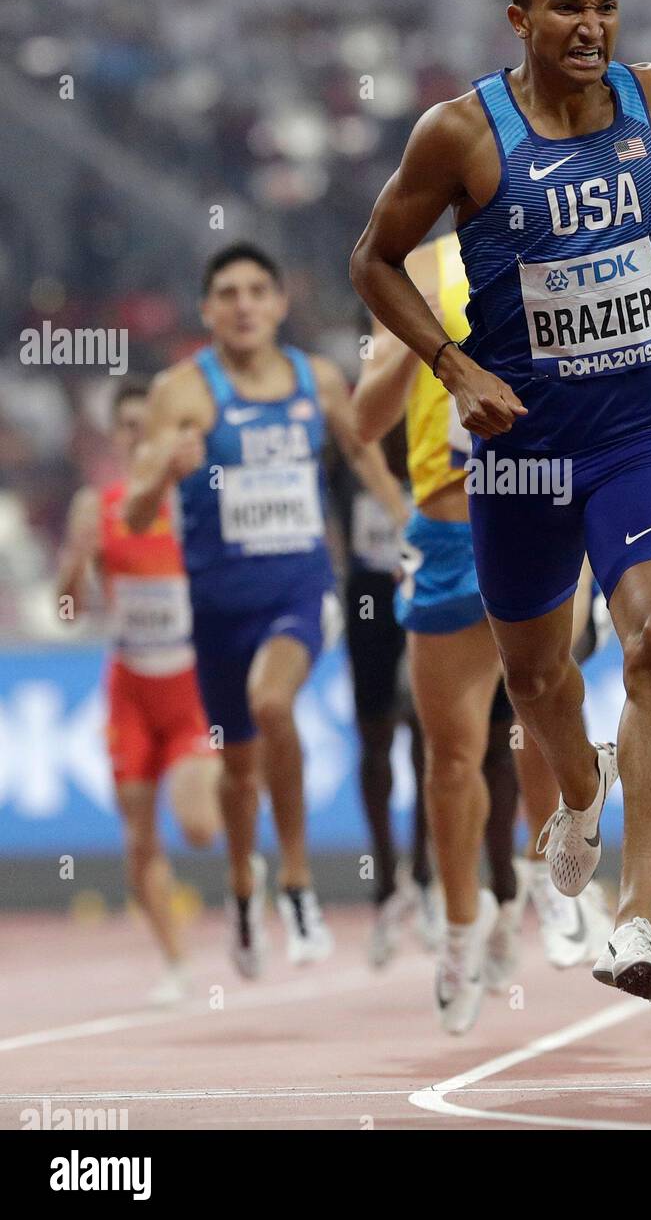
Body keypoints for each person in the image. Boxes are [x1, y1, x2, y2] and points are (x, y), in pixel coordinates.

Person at [350, 0, 651, 1000]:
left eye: (606, 6)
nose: (592, 26)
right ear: (519, 20)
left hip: (638, 437)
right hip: (521, 447)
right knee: (534, 681)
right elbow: (371, 260)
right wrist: (451, 366)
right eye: (567, 7)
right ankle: (578, 796)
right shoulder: (458, 134)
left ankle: (637, 919)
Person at [125, 242, 407, 978]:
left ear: (281, 304)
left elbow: (365, 455)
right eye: (228, 293)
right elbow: (134, 509)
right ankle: (245, 890)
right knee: (238, 767)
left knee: (272, 704)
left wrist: (412, 528)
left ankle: (296, 885)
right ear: (207, 310)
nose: (244, 304)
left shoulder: (317, 379)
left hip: (301, 591)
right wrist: (163, 477)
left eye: (258, 290)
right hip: (217, 607)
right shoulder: (183, 392)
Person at [353, 230, 609, 1032]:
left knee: (542, 710)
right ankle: (462, 931)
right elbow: (362, 421)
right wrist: (414, 342)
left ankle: (555, 883)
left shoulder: (565, 242)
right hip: (445, 532)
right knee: (452, 754)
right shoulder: (420, 271)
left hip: (540, 511)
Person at [57, 380, 221, 1005]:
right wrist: (77, 563)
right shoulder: (92, 508)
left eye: (141, 425)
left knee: (200, 828)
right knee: (138, 839)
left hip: (188, 689)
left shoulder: (190, 503)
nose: (133, 437)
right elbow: (68, 611)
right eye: (123, 427)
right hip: (129, 690)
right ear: (115, 436)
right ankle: (177, 960)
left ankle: (240, 858)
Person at [325, 424, 438, 967]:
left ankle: (425, 874)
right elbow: (324, 503)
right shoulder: (353, 423)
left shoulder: (436, 405)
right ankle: (387, 886)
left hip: (426, 581)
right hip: (367, 591)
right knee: (374, 735)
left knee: (426, 730)